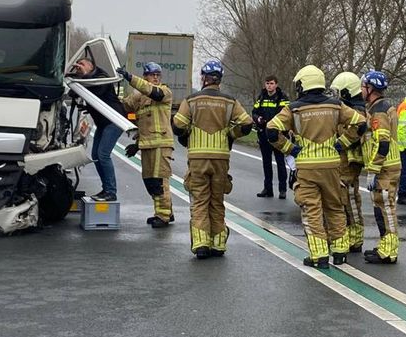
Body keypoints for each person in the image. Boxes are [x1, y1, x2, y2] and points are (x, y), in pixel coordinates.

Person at [267, 65, 366, 268]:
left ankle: (319, 255)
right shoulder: (336, 106)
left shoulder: (294, 108)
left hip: (307, 167)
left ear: (303, 84)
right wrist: (342, 143)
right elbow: (360, 123)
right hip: (332, 165)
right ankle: (340, 252)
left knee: (312, 209)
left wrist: (290, 149)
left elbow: (271, 130)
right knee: (335, 207)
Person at [172, 60, 252, 259]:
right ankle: (218, 244)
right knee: (217, 201)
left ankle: (201, 244)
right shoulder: (230, 101)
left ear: (204, 78)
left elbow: (178, 125)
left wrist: (189, 133)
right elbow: (247, 123)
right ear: (220, 79)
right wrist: (231, 134)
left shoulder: (192, 100)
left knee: (200, 201)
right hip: (221, 158)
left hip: (198, 158)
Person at [117, 62, 175, 228]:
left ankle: (163, 216)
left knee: (159, 181)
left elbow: (152, 91)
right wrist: (136, 144)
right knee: (150, 181)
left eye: (158, 74)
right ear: (145, 76)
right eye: (152, 75)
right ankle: (166, 212)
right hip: (147, 144)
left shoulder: (164, 92)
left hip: (161, 144)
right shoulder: (138, 97)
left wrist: (129, 77)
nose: (155, 77)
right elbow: (123, 107)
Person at [360, 70, 403, 264]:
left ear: (371, 89)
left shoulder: (379, 111)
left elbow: (383, 142)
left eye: (363, 87)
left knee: (386, 209)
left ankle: (390, 251)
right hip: (387, 166)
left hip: (385, 167)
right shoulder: (382, 107)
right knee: (381, 208)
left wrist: (374, 169)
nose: (361, 90)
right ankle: (385, 246)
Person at [71, 58, 125, 201]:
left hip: (114, 120)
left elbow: (97, 90)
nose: (79, 67)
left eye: (82, 64)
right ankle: (105, 188)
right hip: (103, 123)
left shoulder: (101, 77)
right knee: (95, 155)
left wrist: (82, 76)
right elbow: (75, 94)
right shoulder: (85, 80)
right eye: (77, 66)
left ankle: (111, 192)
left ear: (91, 66)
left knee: (103, 154)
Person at [329, 71, 367, 252]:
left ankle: (355, 237)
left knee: (350, 199)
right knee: (342, 198)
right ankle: (347, 234)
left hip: (350, 162)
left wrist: (339, 143)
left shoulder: (357, 111)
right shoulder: (350, 108)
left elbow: (351, 133)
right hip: (342, 162)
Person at [252, 76, 291, 199]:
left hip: (278, 135)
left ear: (276, 84)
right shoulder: (261, 97)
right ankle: (268, 189)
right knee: (266, 163)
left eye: (272, 83)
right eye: (267, 83)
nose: (269, 86)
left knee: (280, 162)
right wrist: (258, 119)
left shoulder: (282, 97)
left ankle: (282, 190)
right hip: (263, 134)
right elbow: (254, 112)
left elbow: (285, 114)